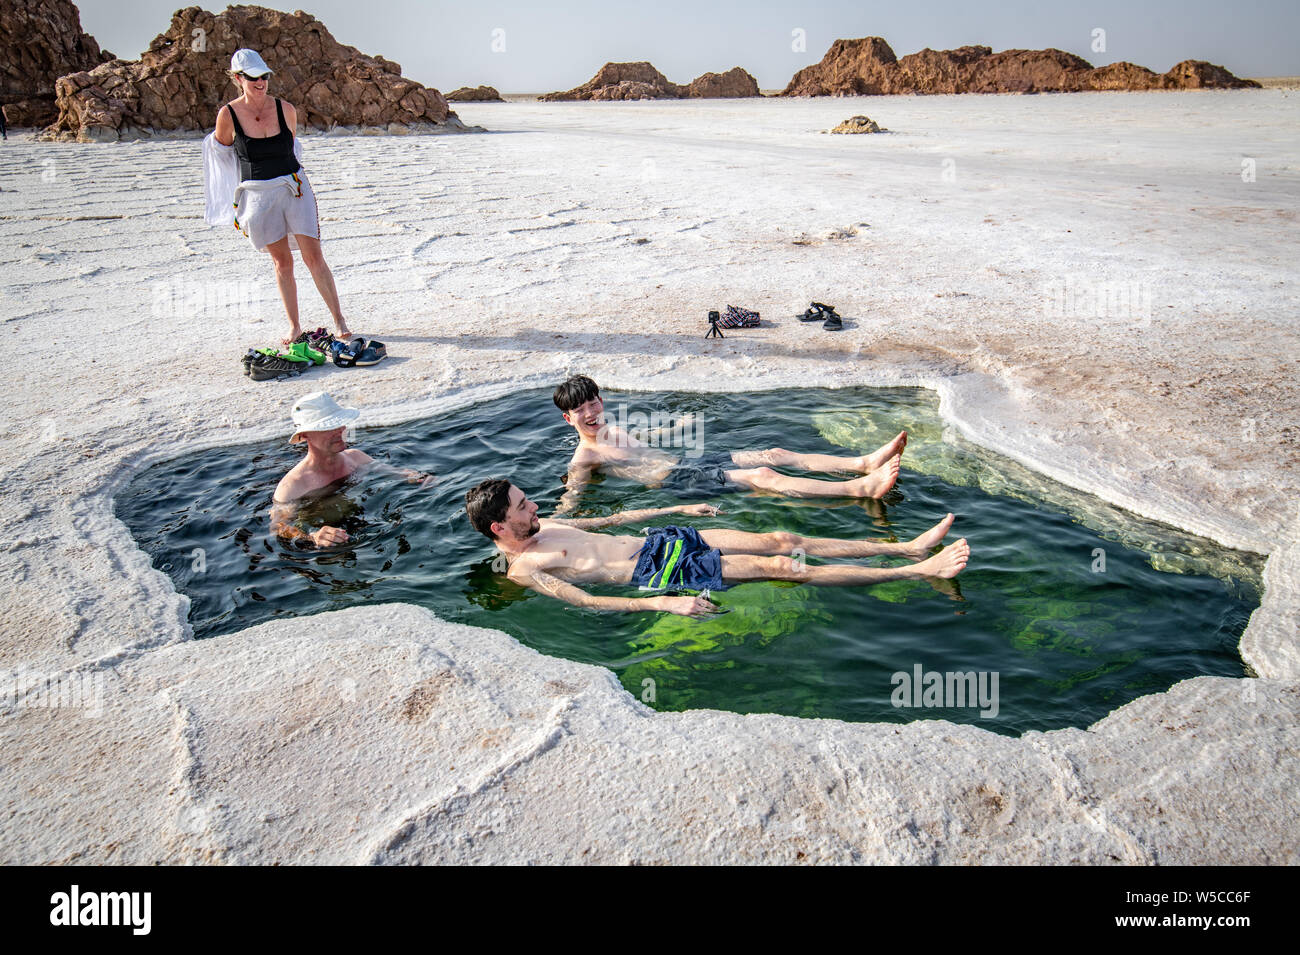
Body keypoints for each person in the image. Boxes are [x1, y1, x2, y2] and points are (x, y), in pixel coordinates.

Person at [465, 479, 969, 617]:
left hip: (661, 541)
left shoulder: (545, 523)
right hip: (659, 574)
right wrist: (665, 601)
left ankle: (904, 548)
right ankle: (918, 572)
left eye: (528, 501)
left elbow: (614, 519)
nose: (533, 508)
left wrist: (677, 513)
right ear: (498, 529)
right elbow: (588, 602)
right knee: (783, 566)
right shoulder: (525, 571)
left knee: (783, 540)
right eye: (522, 507)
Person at [552, 375, 907, 512]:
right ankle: (858, 489)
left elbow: (642, 440)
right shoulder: (585, 456)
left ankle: (861, 463)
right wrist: (558, 519)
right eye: (580, 410)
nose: (591, 412)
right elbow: (573, 495)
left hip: (688, 462)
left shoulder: (610, 428)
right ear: (568, 418)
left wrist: (676, 428)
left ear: (602, 399)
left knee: (774, 453)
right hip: (677, 481)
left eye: (593, 402)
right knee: (763, 475)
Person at [203, 48, 353, 345]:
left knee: (314, 257)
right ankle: (294, 327)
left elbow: (292, 148)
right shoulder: (228, 115)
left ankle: (339, 320)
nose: (260, 82)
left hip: (293, 188)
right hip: (258, 196)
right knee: (282, 263)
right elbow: (220, 155)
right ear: (238, 78)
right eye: (253, 77)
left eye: (265, 76)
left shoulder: (286, 109)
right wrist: (236, 199)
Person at [272, 392, 432, 547]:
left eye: (339, 423)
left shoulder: (356, 458)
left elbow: (399, 473)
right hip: (328, 542)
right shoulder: (293, 485)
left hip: (364, 523)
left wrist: (420, 476)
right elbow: (278, 528)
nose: (339, 432)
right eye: (328, 427)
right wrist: (312, 537)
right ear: (305, 435)